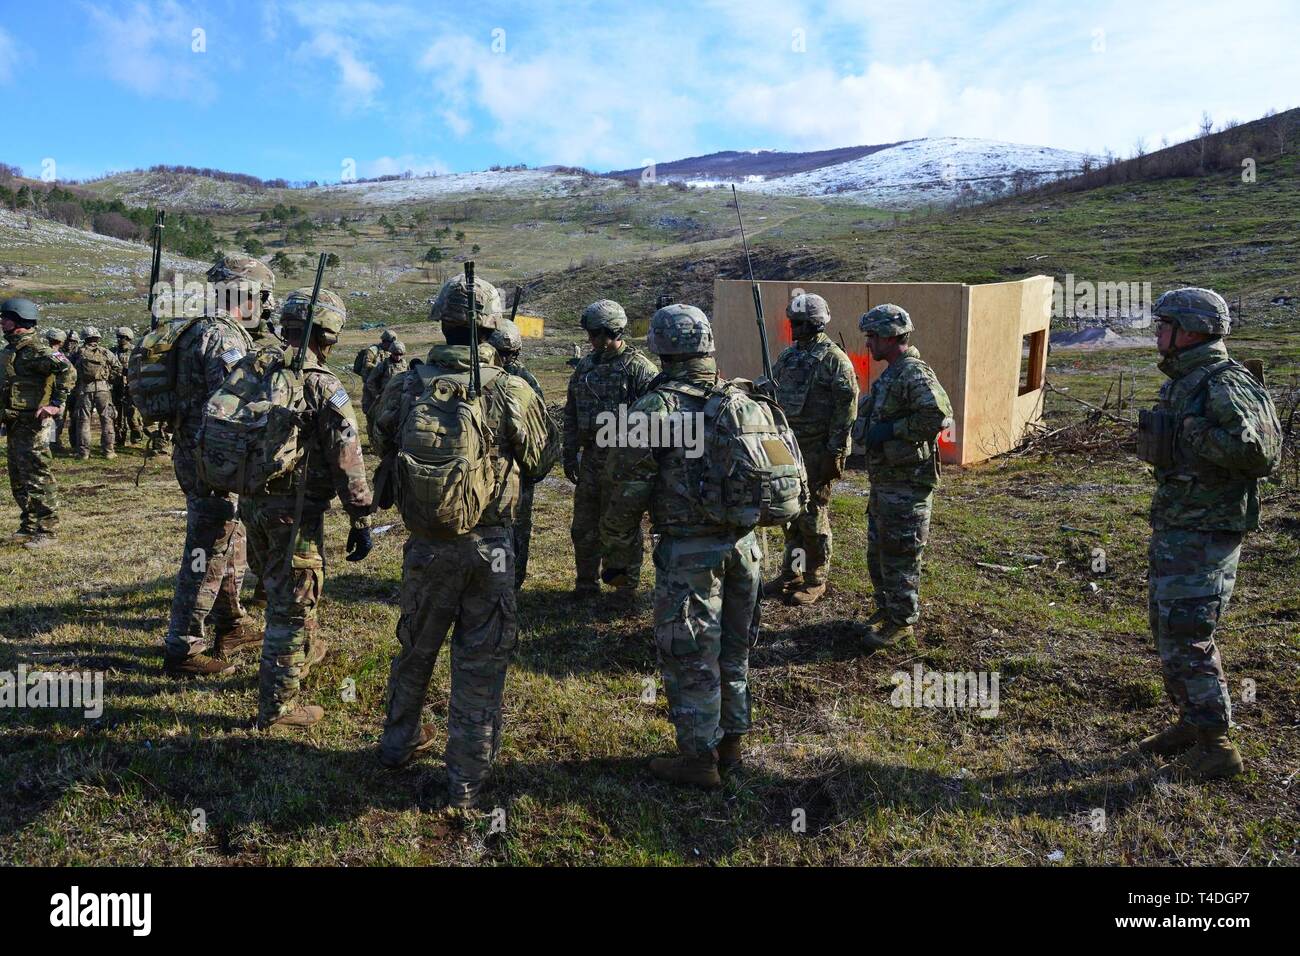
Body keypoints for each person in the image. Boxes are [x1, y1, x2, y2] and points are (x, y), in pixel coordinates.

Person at [374, 274, 558, 807]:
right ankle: (466, 779)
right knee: (480, 660)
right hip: (492, 545)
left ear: (443, 322)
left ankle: (396, 741)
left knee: (415, 647)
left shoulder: (410, 382)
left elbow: (383, 435)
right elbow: (542, 462)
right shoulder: (510, 388)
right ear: (491, 326)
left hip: (427, 542)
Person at [600, 304, 765, 788]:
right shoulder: (742, 399)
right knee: (735, 650)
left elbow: (625, 488)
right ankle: (732, 743)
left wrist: (617, 553)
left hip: (691, 555)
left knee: (692, 655)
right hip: (747, 548)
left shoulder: (657, 409)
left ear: (662, 347)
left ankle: (698, 760)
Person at [1135, 287, 1281, 781]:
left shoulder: (1223, 382)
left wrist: (1190, 434)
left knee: (1189, 634)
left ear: (1190, 330)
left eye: (1164, 325)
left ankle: (1217, 747)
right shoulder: (1188, 379)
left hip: (1206, 531)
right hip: (1179, 524)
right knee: (1167, 628)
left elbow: (1260, 453)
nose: (1157, 333)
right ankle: (1191, 724)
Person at [240, 287, 375, 732]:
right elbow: (347, 458)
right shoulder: (320, 383)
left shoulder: (250, 368)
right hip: (292, 512)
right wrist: (361, 515)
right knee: (290, 606)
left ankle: (304, 654)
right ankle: (277, 711)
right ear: (329, 334)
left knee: (285, 591)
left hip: (250, 503)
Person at [161, 254, 272, 677]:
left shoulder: (197, 329)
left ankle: (231, 623)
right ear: (244, 293)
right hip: (213, 461)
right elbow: (239, 402)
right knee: (205, 551)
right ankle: (183, 648)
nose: (263, 305)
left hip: (201, 453)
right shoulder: (225, 337)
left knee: (230, 539)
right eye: (261, 296)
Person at [853, 304, 953, 650]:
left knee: (900, 554)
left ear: (891, 337)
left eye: (873, 337)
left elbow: (939, 416)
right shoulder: (894, 372)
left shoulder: (913, 373)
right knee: (880, 552)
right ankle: (887, 609)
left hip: (907, 486)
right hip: (887, 484)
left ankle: (901, 622)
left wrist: (892, 430)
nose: (868, 344)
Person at [765, 292, 858, 605]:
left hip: (818, 450)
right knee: (790, 514)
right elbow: (773, 390)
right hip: (787, 447)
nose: (795, 328)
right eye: (792, 322)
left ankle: (815, 578)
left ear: (817, 323)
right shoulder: (790, 357)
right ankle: (791, 572)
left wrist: (836, 453)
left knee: (813, 516)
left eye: (801, 323)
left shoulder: (834, 361)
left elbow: (846, 411)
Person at [562, 299, 657, 598]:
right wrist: (569, 453)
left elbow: (656, 420)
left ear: (611, 332)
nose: (590, 340)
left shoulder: (639, 369)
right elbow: (572, 412)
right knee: (584, 526)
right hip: (592, 457)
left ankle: (622, 587)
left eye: (593, 334)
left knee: (620, 528)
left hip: (626, 462)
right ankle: (586, 583)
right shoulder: (587, 366)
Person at [1, 298, 77, 549]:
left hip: (33, 425)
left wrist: (56, 403)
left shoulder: (36, 350)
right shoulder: (10, 351)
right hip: (14, 424)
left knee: (38, 476)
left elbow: (67, 369)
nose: (1, 322)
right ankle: (29, 525)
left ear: (19, 320)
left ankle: (48, 529)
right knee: (19, 478)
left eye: (5, 317)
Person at [488, 318, 543, 587]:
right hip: (491, 471)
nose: (505, 358)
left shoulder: (524, 380)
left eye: (510, 354)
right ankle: (496, 577)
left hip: (519, 471)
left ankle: (513, 581)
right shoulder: (486, 378)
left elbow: (538, 430)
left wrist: (532, 468)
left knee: (518, 530)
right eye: (501, 353)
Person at [71, 326, 120, 459]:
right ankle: (109, 451)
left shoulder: (78, 352)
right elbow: (118, 367)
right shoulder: (105, 352)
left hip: (84, 390)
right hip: (103, 389)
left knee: (83, 421)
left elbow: (70, 369)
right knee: (107, 420)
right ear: (97, 338)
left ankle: (83, 453)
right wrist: (109, 378)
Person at [112, 327, 144, 447]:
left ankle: (136, 438)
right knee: (117, 415)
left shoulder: (135, 351)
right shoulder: (113, 351)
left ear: (128, 338)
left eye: (122, 338)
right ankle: (119, 439)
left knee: (132, 415)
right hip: (117, 387)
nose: (120, 340)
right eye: (118, 337)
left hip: (132, 387)